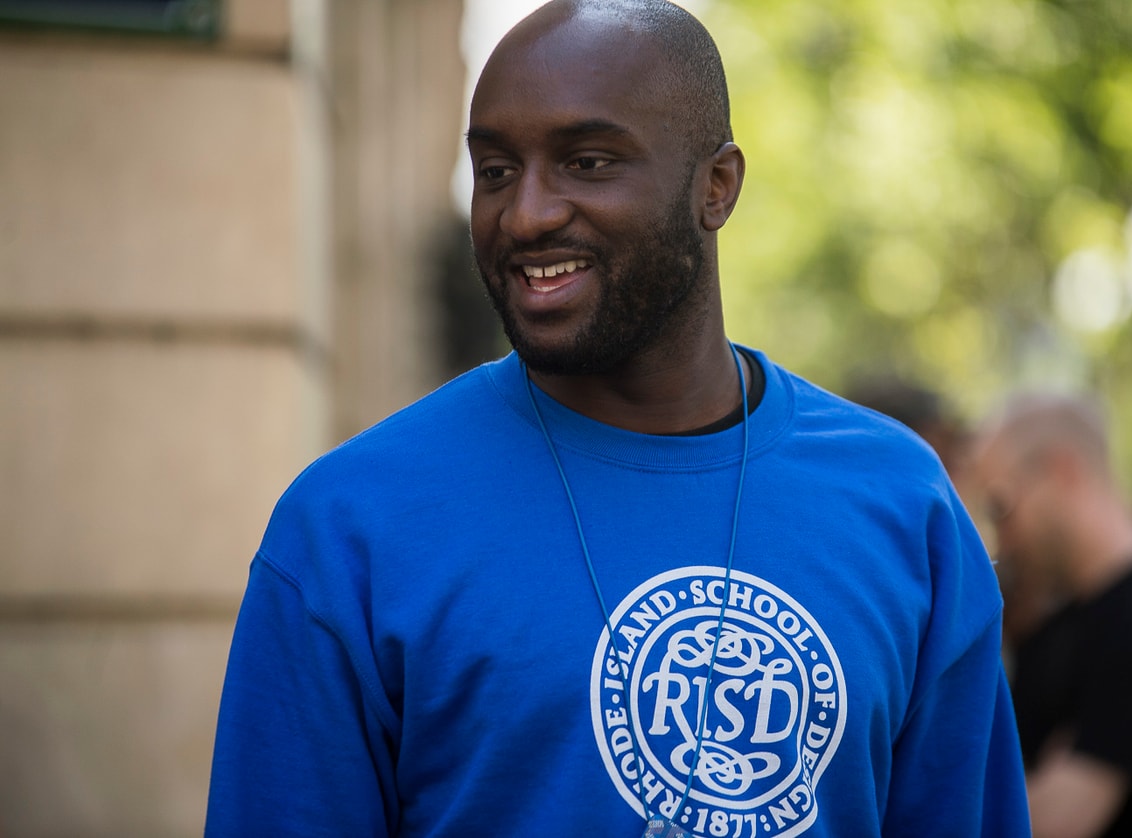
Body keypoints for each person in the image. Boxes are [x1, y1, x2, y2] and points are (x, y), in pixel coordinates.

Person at [204, 1, 1031, 835]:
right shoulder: (349, 526)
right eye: (495, 170)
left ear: (717, 186)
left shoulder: (905, 508)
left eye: (587, 162)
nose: (526, 214)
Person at [969, 391, 1132, 837]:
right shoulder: (1060, 624)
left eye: (1001, 506)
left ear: (1061, 470)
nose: (1002, 537)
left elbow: (1047, 824)